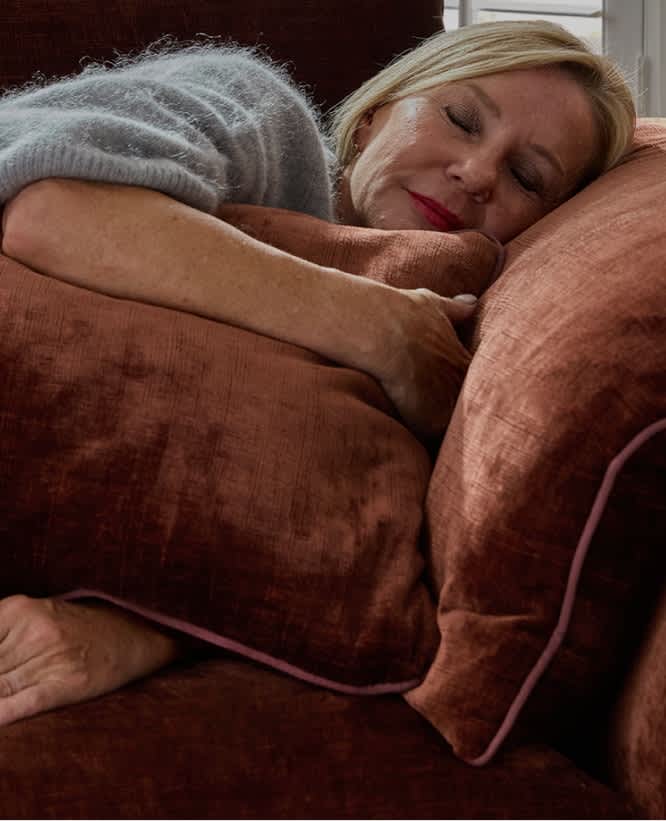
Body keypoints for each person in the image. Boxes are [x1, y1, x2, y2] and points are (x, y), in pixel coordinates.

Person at [0, 20, 636, 727]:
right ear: (370, 120)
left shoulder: (447, 361)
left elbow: (290, 542)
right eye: (461, 119)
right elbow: (49, 210)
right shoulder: (262, 115)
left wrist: (140, 632)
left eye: (526, 177)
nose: (479, 173)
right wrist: (376, 326)